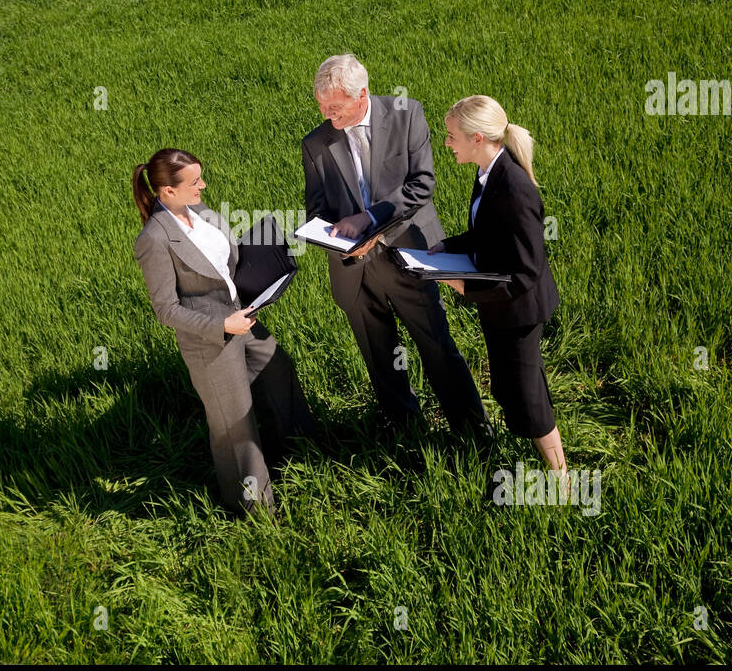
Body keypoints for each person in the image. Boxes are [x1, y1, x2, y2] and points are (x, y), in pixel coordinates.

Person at [301, 54, 492, 452]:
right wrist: (333, 236)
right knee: (378, 354)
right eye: (322, 107)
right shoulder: (316, 143)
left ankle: (474, 433)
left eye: (335, 107)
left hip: (408, 255)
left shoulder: (407, 115)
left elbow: (421, 185)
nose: (327, 116)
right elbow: (315, 208)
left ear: (363, 94)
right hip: (352, 267)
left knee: (436, 345)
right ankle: (404, 430)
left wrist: (369, 221)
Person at [132, 148, 316, 517]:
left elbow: (229, 262)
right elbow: (166, 310)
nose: (203, 185)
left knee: (277, 367)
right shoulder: (154, 239)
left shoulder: (200, 212)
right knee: (235, 423)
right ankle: (254, 508)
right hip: (209, 339)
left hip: (242, 315)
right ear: (167, 191)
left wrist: (266, 267)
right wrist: (221, 325)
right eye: (194, 181)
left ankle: (298, 454)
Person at [430, 95, 568, 486]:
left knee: (527, 395)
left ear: (477, 137)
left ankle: (562, 480)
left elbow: (526, 270)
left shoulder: (515, 187)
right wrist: (449, 247)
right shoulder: (488, 173)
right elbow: (487, 236)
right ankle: (536, 455)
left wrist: (465, 286)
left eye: (451, 136)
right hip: (499, 308)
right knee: (509, 387)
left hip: (519, 311)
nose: (447, 143)